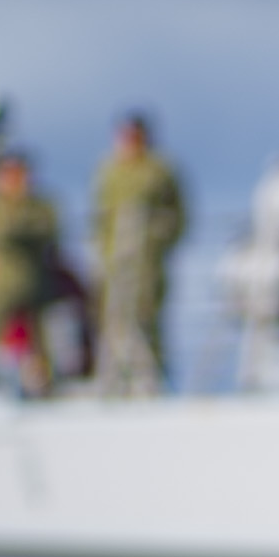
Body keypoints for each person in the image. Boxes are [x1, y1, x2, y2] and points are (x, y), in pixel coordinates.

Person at [89, 110, 188, 394]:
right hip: (113, 259)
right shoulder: (109, 170)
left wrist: (158, 238)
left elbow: (179, 215)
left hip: (148, 262)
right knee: (111, 318)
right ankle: (114, 381)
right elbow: (100, 216)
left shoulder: (160, 170)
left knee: (146, 318)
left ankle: (151, 380)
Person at [0, 150, 63, 388]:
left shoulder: (42, 204)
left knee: (43, 339)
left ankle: (45, 383)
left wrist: (20, 228)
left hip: (36, 280)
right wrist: (24, 228)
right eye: (8, 174)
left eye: (19, 173)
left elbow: (49, 231)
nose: (15, 179)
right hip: (2, 281)